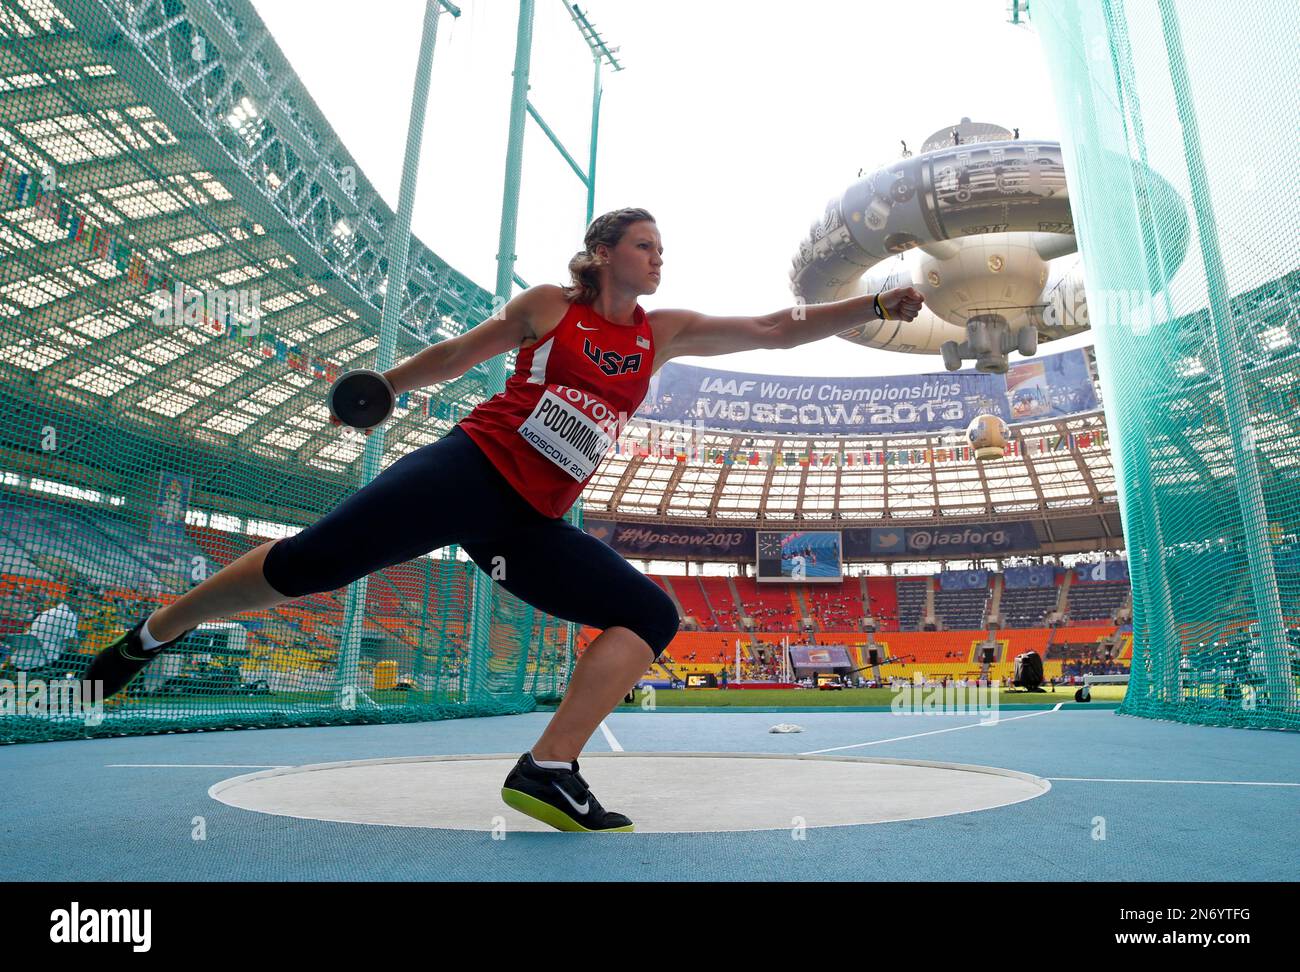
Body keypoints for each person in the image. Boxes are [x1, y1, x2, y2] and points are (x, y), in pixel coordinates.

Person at [83, 207, 923, 832]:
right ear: (603, 253)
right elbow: (461, 354)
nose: (658, 258)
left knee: (650, 613)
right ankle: (151, 635)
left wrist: (874, 307)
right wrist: (389, 388)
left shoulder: (661, 334)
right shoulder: (554, 307)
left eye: (664, 249)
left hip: (527, 522)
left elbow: (778, 330)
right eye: (644, 245)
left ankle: (548, 767)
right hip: (467, 471)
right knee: (312, 567)